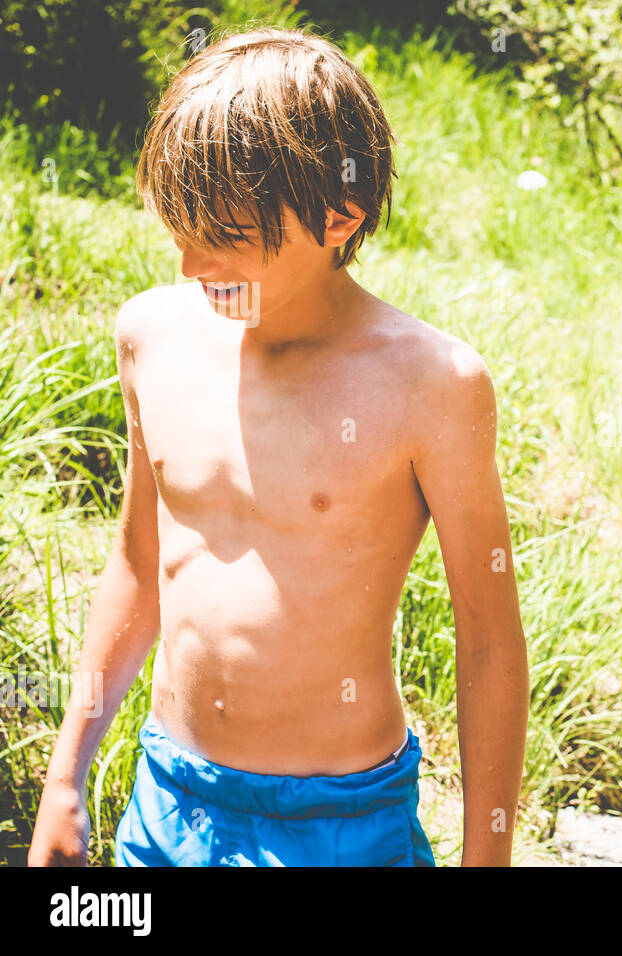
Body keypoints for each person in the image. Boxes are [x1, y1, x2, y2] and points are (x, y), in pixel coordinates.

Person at [27, 28, 528, 867]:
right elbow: (138, 564)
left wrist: (489, 858)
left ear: (340, 216)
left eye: (220, 234)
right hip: (171, 799)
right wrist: (64, 777)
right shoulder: (153, 336)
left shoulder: (431, 383)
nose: (189, 263)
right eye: (176, 228)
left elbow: (488, 639)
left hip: (341, 821)